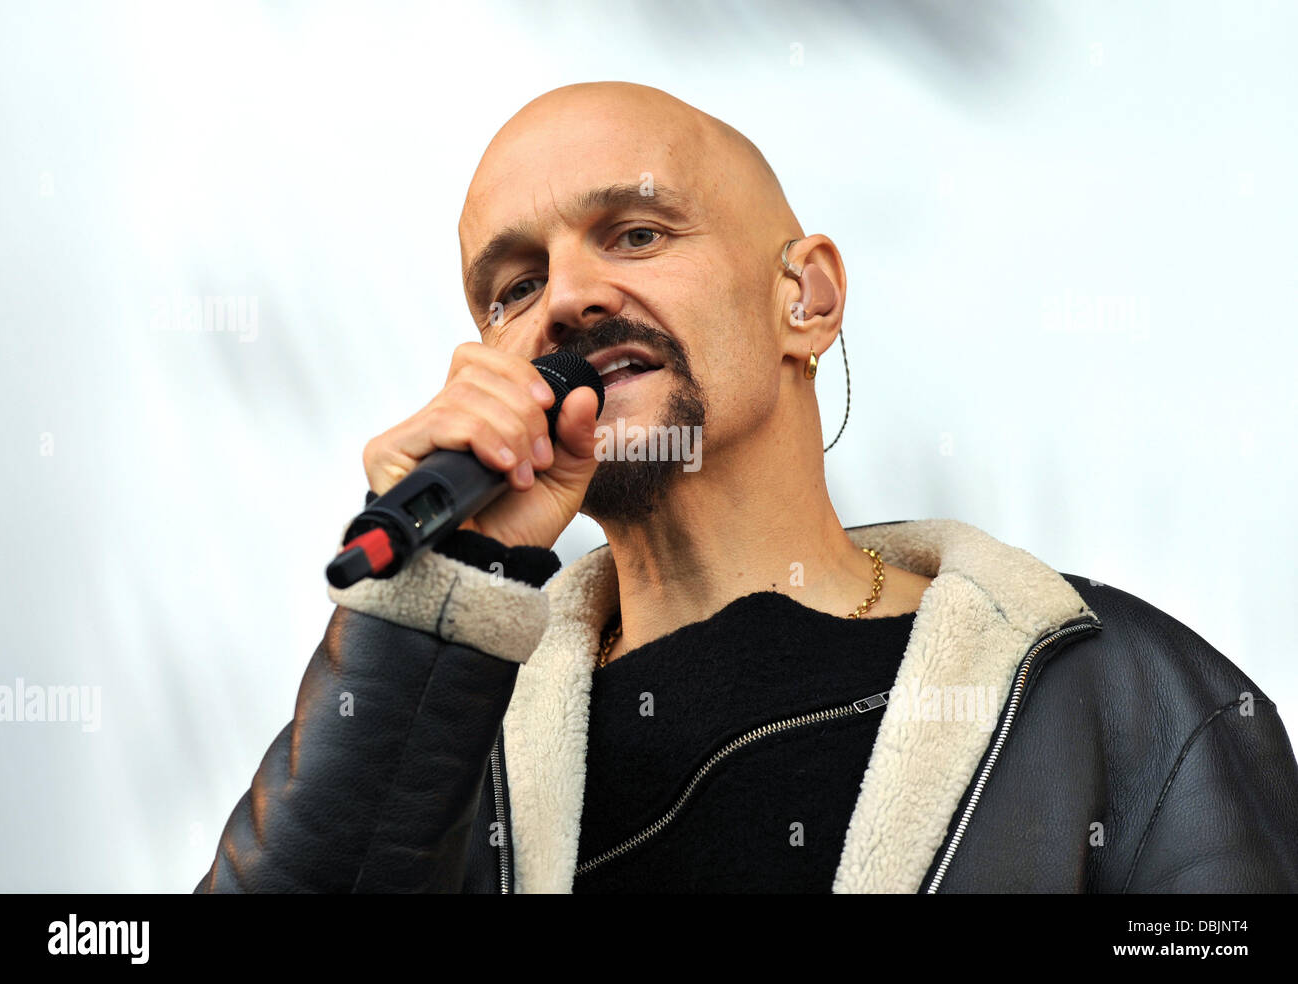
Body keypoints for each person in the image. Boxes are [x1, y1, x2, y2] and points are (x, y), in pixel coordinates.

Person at [196, 82, 1298, 893]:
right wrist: (434, 601)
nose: (565, 302)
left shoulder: (1123, 694)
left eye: (635, 233)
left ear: (806, 300)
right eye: (513, 285)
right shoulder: (448, 744)